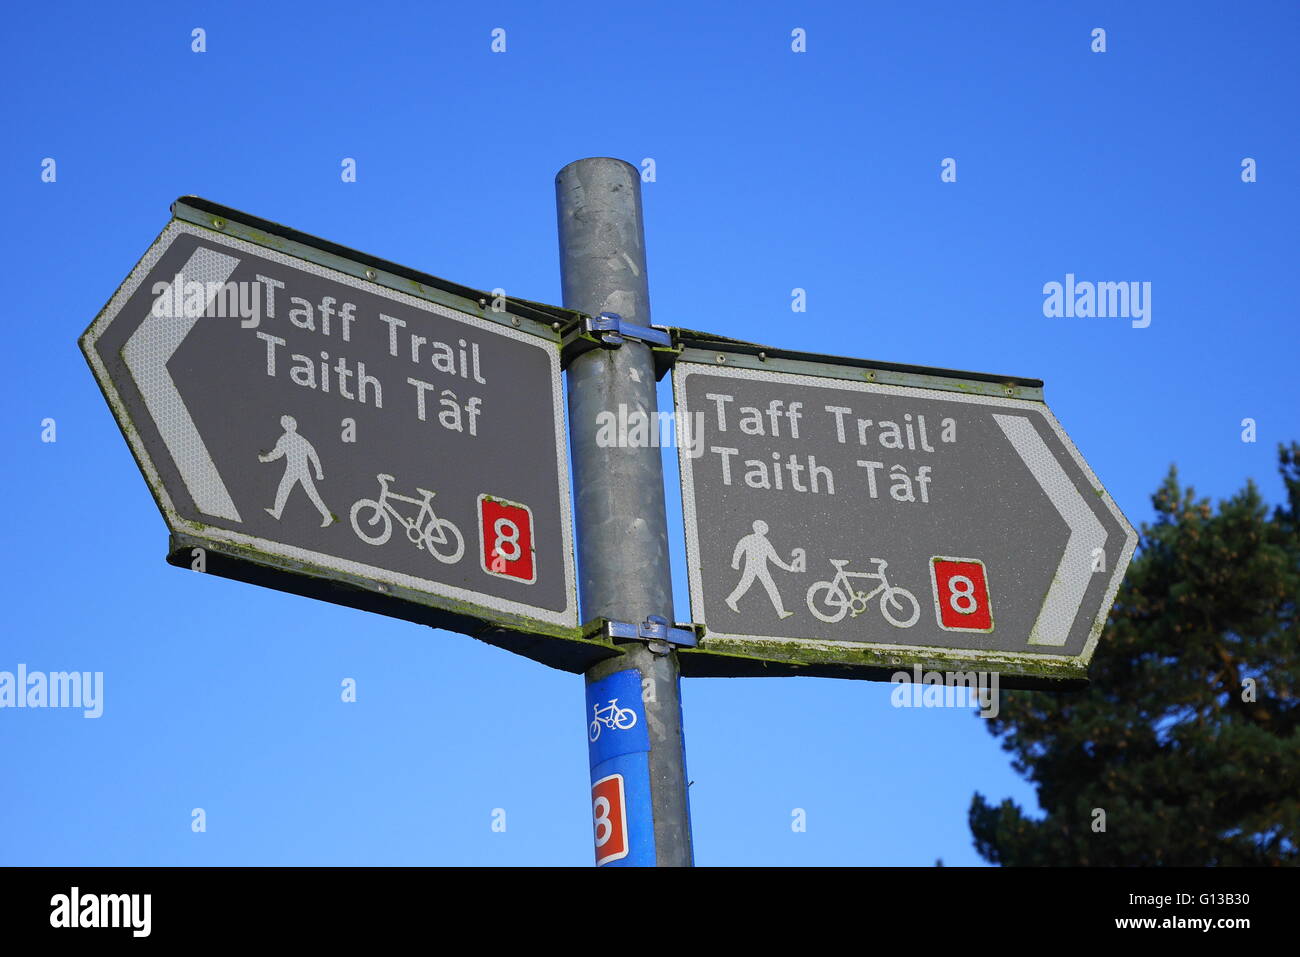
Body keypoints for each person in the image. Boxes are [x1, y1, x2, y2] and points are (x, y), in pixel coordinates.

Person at [258, 414, 332, 527]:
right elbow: (312, 454)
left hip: (298, 469)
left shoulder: (287, 439)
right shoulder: (297, 439)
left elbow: (278, 454)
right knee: (285, 488)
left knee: (310, 493)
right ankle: (277, 512)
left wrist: (264, 459)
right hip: (296, 469)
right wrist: (318, 472)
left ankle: (327, 515)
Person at [726, 520, 801, 618]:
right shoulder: (754, 540)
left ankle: (781, 612)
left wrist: (789, 568)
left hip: (760, 568)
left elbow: (775, 558)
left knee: (763, 587)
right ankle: (731, 599)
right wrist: (735, 563)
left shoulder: (761, 541)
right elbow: (739, 549)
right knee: (758, 586)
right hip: (753, 567)